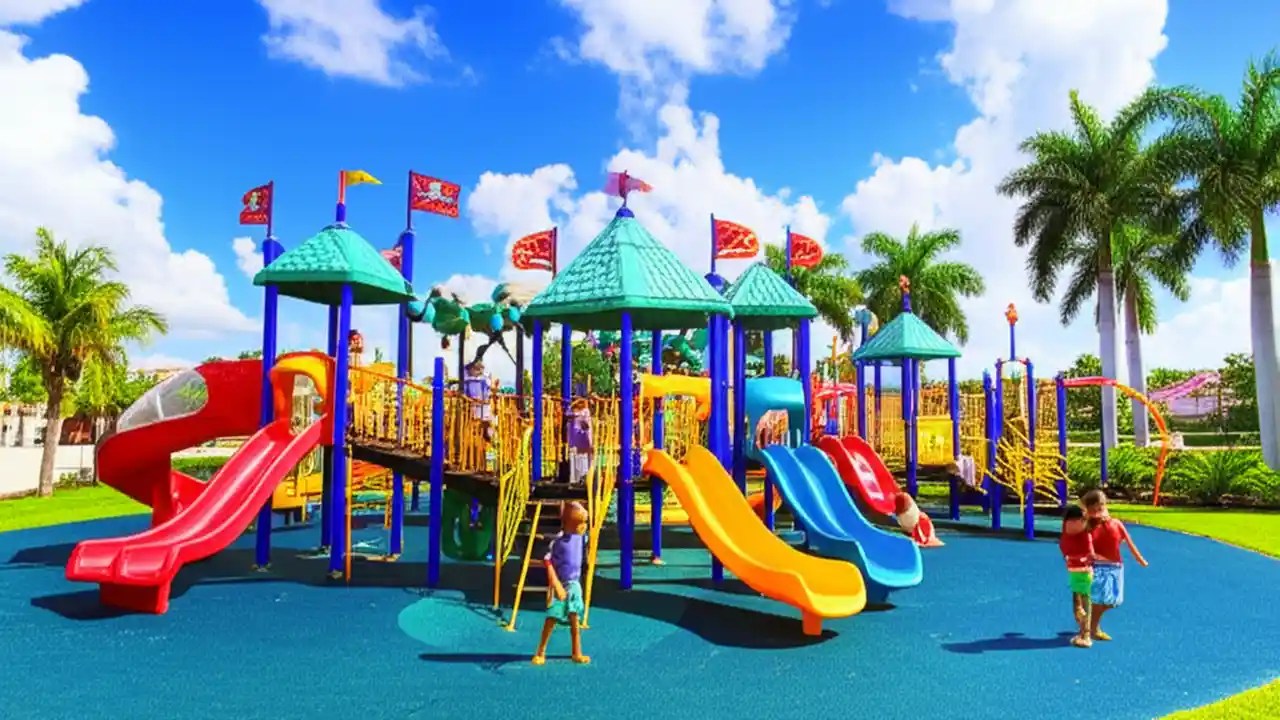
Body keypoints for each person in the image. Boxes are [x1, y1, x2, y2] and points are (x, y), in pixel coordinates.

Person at [1081, 489, 1148, 641]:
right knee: (1099, 600)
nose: (1098, 512)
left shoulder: (1115, 524)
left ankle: (1089, 622)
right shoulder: (1088, 528)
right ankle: (1092, 628)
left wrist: (1140, 559)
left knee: (1113, 601)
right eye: (1093, 509)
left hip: (1116, 567)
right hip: (1097, 568)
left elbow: (1128, 541)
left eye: (1100, 507)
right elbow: (1084, 548)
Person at [532, 501, 590, 665]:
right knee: (552, 617)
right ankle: (541, 651)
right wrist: (556, 584)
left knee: (574, 619)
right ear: (568, 524)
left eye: (583, 523)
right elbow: (548, 562)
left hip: (574, 585)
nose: (583, 526)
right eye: (579, 523)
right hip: (562, 584)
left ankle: (576, 652)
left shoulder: (581, 538)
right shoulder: (558, 542)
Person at [1059, 504, 1095, 648]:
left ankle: (1086, 634)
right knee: (1077, 604)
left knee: (1084, 600)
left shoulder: (1085, 536)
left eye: (1077, 521)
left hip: (1084, 572)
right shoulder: (1067, 534)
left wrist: (1080, 559)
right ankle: (1083, 631)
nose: (1073, 524)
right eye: (1071, 521)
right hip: (1074, 572)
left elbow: (1091, 555)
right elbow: (1064, 548)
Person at [567, 398, 593, 486]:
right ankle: (576, 480)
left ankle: (583, 478)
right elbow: (568, 414)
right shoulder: (571, 412)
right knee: (575, 460)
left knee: (582, 459)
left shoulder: (585, 412)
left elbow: (586, 426)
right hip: (575, 442)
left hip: (582, 441)